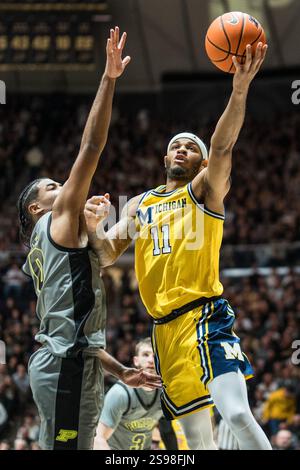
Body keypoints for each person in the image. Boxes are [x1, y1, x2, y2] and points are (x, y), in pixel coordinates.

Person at [85, 41, 272, 450]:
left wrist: (239, 90)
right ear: (164, 157)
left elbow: (222, 147)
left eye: (191, 147)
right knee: (198, 443)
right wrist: (96, 227)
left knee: (238, 413)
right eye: (175, 145)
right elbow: (101, 256)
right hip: (163, 333)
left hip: (205, 318)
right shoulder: (140, 204)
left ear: (202, 164)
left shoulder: (205, 191)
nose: (181, 149)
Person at [17, 27, 160, 451]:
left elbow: (105, 260)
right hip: (64, 369)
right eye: (54, 186)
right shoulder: (56, 220)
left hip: (74, 364)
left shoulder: (60, 243)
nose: (65, 187)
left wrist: (122, 372)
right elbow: (92, 146)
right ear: (36, 208)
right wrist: (109, 78)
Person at [94, 338, 170, 450]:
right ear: (136, 361)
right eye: (145, 354)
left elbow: (161, 430)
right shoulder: (120, 393)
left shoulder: (165, 393)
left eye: (155, 356)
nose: (151, 360)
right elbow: (98, 439)